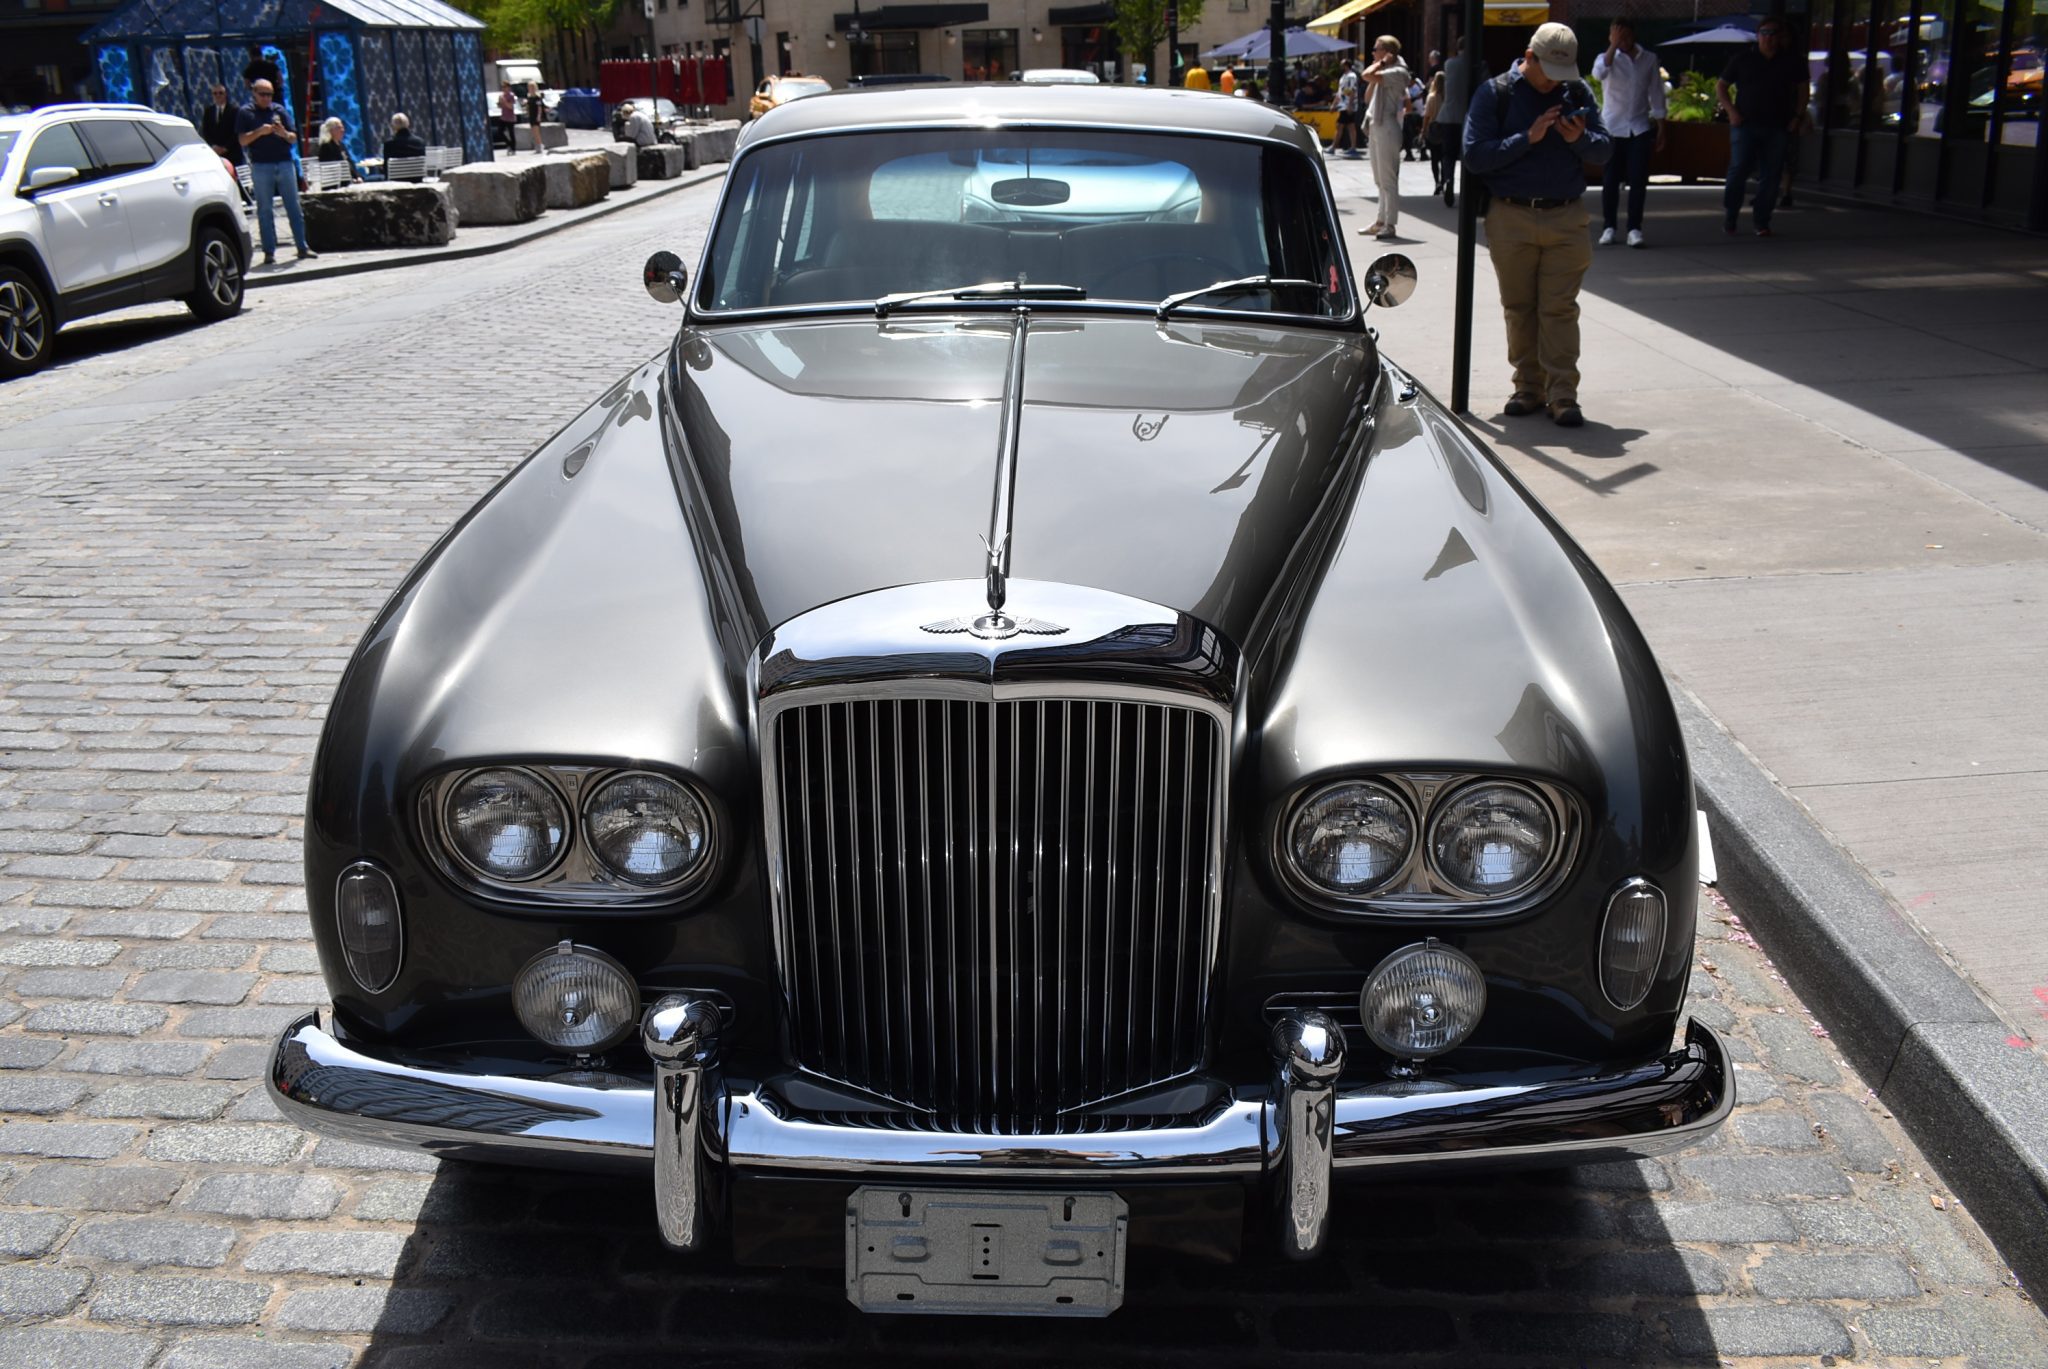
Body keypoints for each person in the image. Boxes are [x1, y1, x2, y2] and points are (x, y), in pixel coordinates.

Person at [1464, 22, 1611, 427]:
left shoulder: (1575, 92)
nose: (1554, 84)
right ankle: (1528, 386)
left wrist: (1578, 139)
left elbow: (1603, 150)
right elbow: (1475, 155)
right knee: (1519, 308)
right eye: (1548, 73)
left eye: (1562, 75)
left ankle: (1563, 393)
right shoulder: (1496, 93)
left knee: (1559, 308)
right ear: (1528, 59)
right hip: (1510, 215)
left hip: (1566, 215)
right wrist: (1526, 138)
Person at [1716, 19, 1808, 237]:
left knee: (1772, 174)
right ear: (1758, 36)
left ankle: (1762, 220)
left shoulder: (1791, 62)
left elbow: (1804, 90)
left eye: (1773, 33)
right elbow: (1721, 86)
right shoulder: (1743, 59)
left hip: (1777, 125)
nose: (1769, 38)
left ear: (1780, 37)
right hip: (1745, 123)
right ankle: (1731, 214)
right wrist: (1731, 111)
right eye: (1764, 33)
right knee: (1738, 170)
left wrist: (1797, 116)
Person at [1591, 18, 1666, 248]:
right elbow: (1598, 74)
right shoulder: (1606, 58)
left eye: (1625, 36)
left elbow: (1656, 92)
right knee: (1611, 180)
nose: (1622, 41)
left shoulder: (1649, 59)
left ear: (1633, 35)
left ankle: (1635, 228)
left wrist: (1662, 126)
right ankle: (1609, 227)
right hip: (1613, 127)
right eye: (1617, 36)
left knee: (1638, 180)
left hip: (1639, 127)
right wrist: (1613, 46)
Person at [234, 79, 314, 265]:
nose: (266, 98)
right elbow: (242, 141)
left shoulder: (279, 110)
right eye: (263, 94)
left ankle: (302, 246)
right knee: (265, 209)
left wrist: (284, 134)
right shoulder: (246, 112)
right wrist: (259, 132)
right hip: (262, 165)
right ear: (254, 93)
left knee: (293, 206)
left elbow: (294, 138)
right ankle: (269, 251)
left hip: (284, 162)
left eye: (270, 94)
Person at [1359, 37, 1410, 239]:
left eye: (1376, 49)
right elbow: (1367, 96)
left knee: (1388, 180)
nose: (1372, 53)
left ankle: (1390, 224)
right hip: (1376, 124)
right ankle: (1380, 220)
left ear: (1387, 51)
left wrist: (1380, 64)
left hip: (1387, 125)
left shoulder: (1398, 71)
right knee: (1380, 180)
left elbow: (1365, 75)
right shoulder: (1383, 72)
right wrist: (1379, 65)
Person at [1434, 39, 1477, 207]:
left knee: (1448, 154)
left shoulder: (1449, 64)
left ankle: (1448, 179)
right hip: (1468, 116)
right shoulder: (1477, 65)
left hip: (1448, 115)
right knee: (1468, 154)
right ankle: (1467, 188)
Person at [200, 83, 242, 167]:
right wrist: (213, 146)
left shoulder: (235, 110)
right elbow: (206, 131)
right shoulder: (208, 111)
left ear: (225, 94)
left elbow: (237, 132)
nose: (218, 95)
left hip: (232, 153)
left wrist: (225, 148)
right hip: (215, 154)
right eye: (215, 93)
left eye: (220, 93)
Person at [314, 117, 363, 186]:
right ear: (331, 130)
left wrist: (357, 176)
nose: (342, 130)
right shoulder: (326, 147)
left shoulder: (341, 145)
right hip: (335, 183)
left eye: (342, 127)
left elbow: (349, 162)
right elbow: (331, 168)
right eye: (339, 128)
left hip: (347, 180)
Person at [382, 111, 427, 179]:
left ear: (393, 127)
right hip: (417, 179)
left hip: (397, 181)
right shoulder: (420, 142)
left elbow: (386, 168)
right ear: (408, 124)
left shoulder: (389, 144)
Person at [1332, 60, 1362, 158]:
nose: (1340, 66)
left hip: (1347, 105)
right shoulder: (1343, 77)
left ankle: (1334, 147)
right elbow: (1340, 92)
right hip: (1343, 105)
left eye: (1342, 64)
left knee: (1341, 126)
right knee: (1349, 126)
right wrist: (1334, 104)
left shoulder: (1351, 76)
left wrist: (1350, 105)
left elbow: (1353, 90)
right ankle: (1351, 147)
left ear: (1346, 65)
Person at [1402, 71, 1425, 161]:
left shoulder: (1416, 88)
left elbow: (1410, 101)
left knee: (1420, 133)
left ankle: (1423, 152)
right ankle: (1409, 153)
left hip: (1418, 114)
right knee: (1408, 135)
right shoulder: (1406, 89)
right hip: (1409, 115)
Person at [525, 80, 546, 156]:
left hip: (536, 115)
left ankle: (540, 145)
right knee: (533, 131)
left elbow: (539, 107)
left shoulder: (537, 97)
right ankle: (537, 145)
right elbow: (528, 107)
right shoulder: (529, 97)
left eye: (532, 87)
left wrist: (539, 116)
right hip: (531, 115)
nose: (531, 89)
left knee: (537, 132)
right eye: (529, 87)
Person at [497, 81, 518, 153]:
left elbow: (511, 107)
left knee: (511, 133)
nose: (503, 89)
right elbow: (500, 106)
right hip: (503, 116)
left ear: (508, 87)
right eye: (502, 87)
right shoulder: (501, 96)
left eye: (505, 87)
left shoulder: (511, 95)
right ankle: (509, 144)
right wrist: (499, 103)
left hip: (510, 117)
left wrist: (505, 101)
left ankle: (513, 148)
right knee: (500, 132)